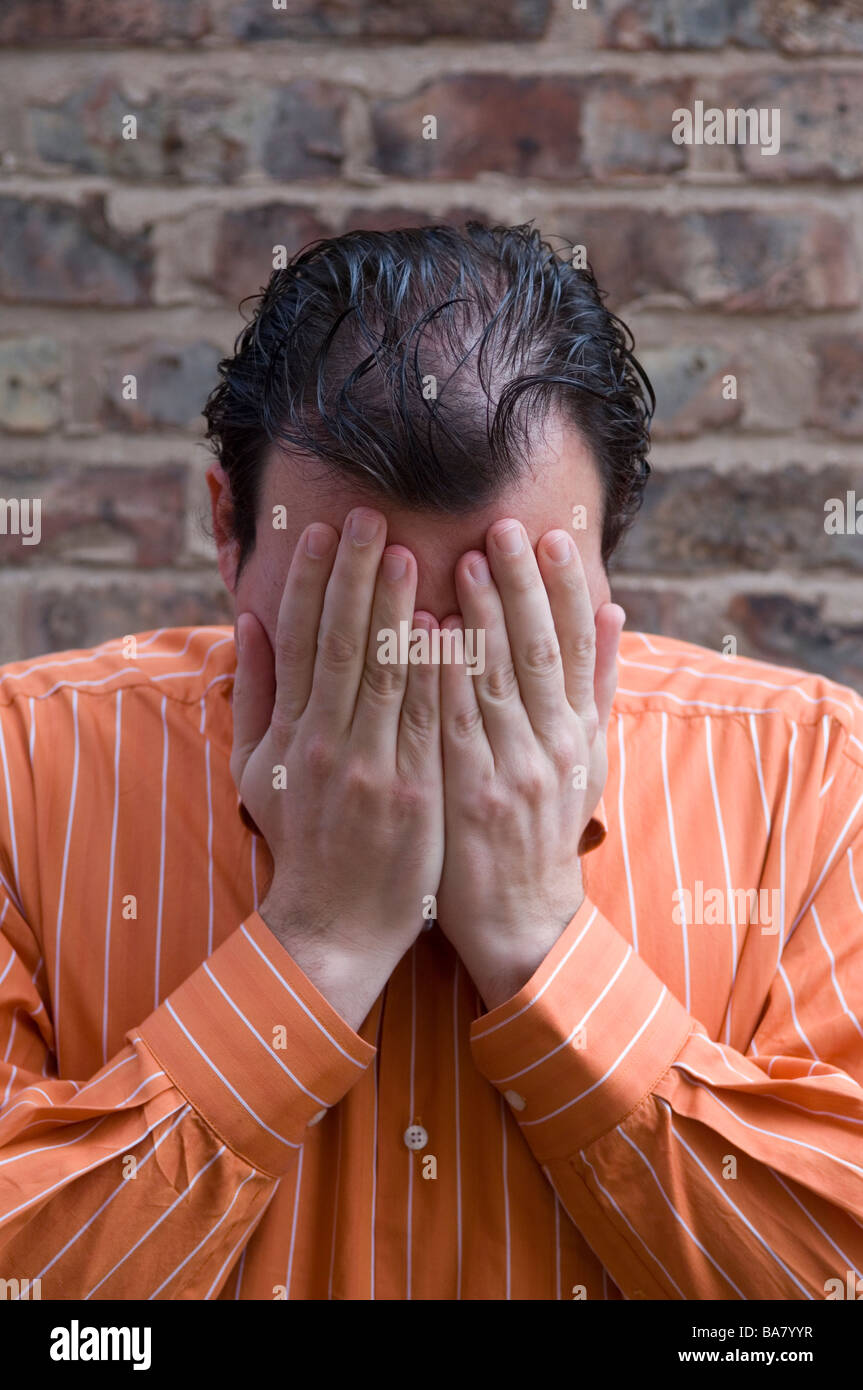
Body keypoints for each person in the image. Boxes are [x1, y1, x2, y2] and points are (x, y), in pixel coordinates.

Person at [0, 223, 861, 1301]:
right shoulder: (24, 770)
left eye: (504, 614)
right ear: (229, 534)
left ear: (606, 555)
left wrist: (540, 940)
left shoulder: (814, 780)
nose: (421, 680)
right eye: (356, 619)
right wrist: (316, 942)